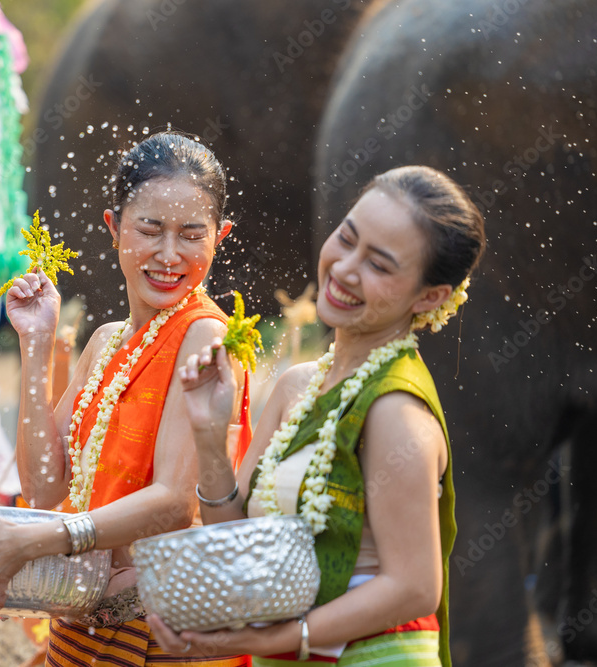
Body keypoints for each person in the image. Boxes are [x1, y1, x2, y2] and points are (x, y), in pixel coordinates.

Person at [148, 166, 486, 666]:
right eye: (346, 239)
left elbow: (415, 588)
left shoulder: (395, 409)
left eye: (380, 265)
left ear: (430, 296)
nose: (345, 268)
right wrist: (209, 437)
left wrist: (272, 639)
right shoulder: (296, 386)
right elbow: (240, 543)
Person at [0, 131, 251, 666]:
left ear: (220, 236)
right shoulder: (107, 341)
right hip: (84, 620)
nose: (169, 255)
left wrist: (41, 542)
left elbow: (174, 502)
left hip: (167, 630)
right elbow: (44, 486)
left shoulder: (208, 337)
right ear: (114, 228)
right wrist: (36, 347)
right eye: (150, 229)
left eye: (191, 235)